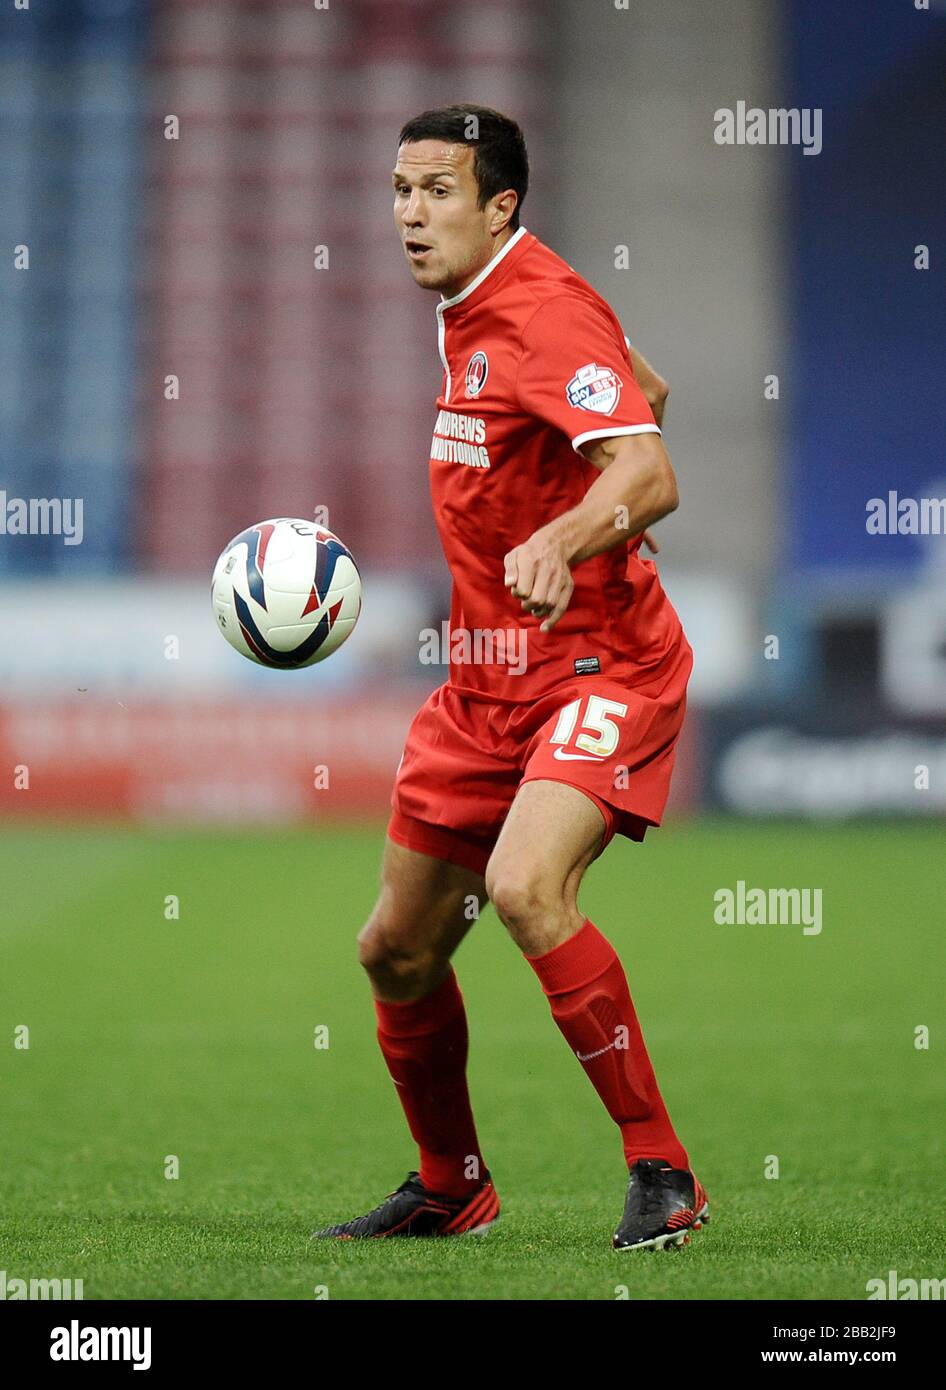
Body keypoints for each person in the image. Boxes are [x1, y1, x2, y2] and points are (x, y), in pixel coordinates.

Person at [312, 105, 708, 1250]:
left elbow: (650, 461)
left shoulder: (535, 309)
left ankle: (662, 1169)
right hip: (484, 679)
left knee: (529, 887)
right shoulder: (481, 306)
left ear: (500, 207)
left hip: (601, 665)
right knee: (395, 948)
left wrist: (572, 538)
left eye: (438, 191)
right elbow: (645, 387)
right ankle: (453, 1184)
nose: (409, 213)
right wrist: (599, 510)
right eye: (399, 189)